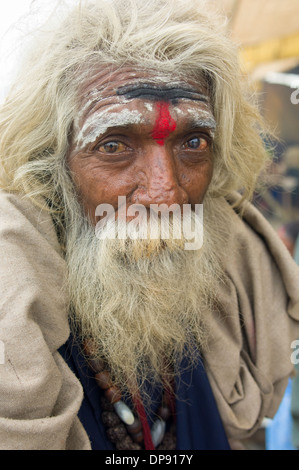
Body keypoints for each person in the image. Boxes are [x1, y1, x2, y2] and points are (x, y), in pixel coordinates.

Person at [0, 0, 299, 451]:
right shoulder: (19, 307)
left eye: (193, 142)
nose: (166, 193)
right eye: (115, 145)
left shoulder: (236, 290)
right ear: (54, 165)